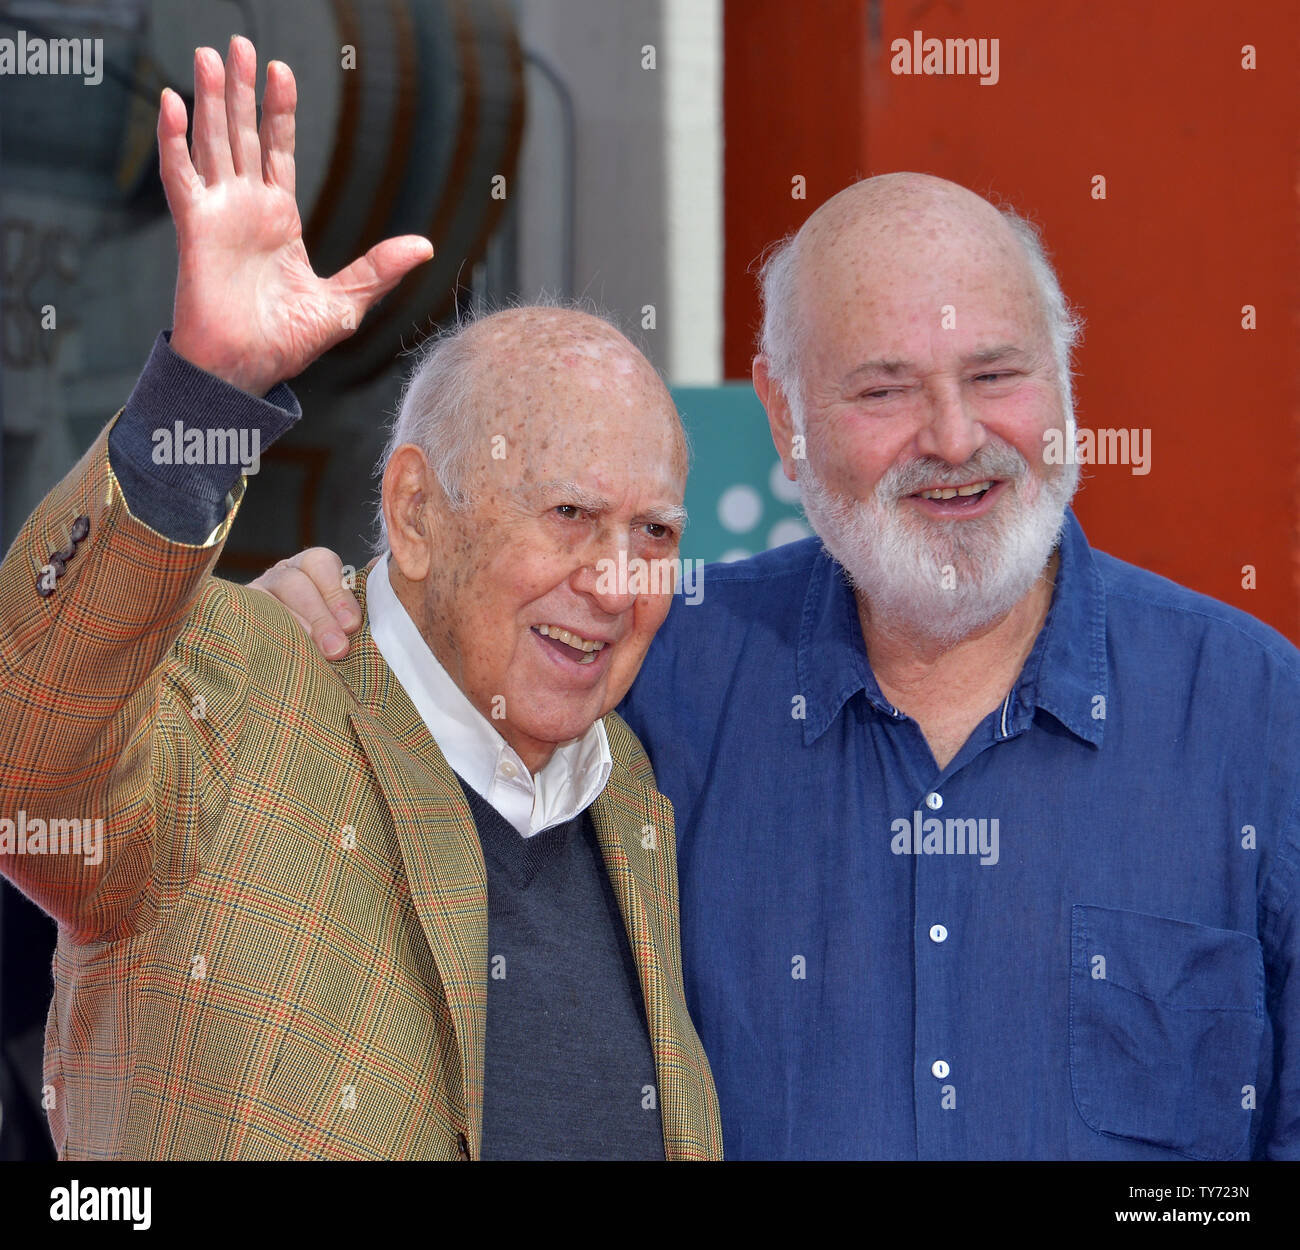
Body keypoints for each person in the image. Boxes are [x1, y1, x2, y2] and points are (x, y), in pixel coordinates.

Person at [267, 172, 1300, 1160]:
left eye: (995, 375)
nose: (952, 437)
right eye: (883, 390)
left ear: (1064, 376)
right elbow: (423, 711)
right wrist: (331, 616)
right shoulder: (657, 674)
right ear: (783, 415)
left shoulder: (1257, 715)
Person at [0, 37, 721, 1161]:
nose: (615, 577)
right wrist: (199, 401)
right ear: (420, 515)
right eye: (570, 516)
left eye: (656, 533)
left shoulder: (623, 791)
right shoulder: (233, 686)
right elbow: (25, 758)